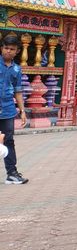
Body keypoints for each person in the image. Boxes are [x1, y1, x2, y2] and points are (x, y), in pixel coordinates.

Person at [1, 34, 28, 185]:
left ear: (17, 51)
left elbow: (18, 91)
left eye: (12, 49)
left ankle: (11, 173)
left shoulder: (17, 69)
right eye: (6, 48)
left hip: (8, 110)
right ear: (1, 48)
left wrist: (22, 111)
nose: (8, 51)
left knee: (9, 141)